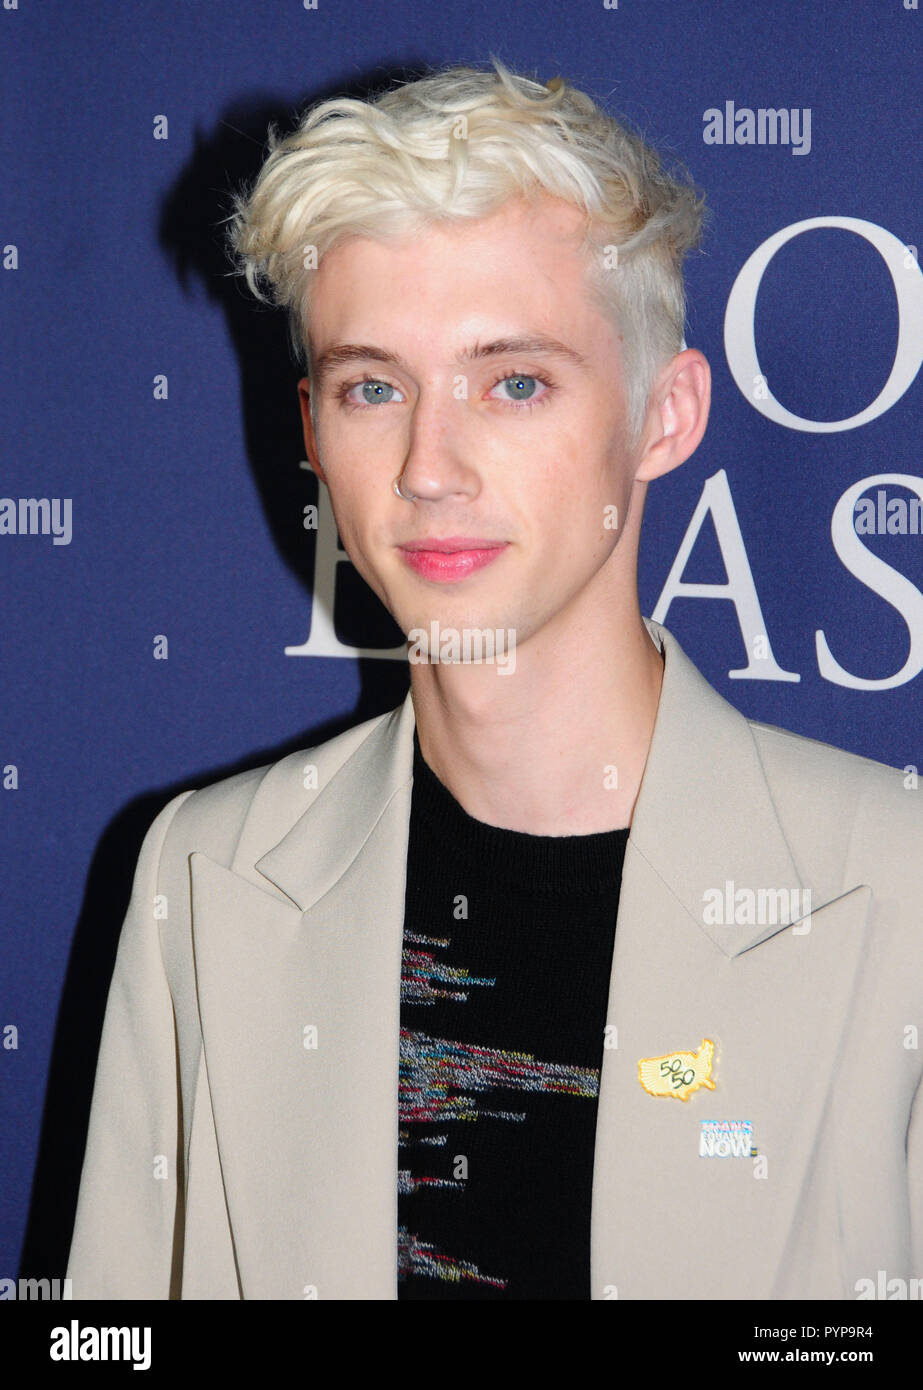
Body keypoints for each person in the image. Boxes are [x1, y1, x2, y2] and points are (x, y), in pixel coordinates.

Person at [66, 57, 922, 1300]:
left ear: (663, 417)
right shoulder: (202, 876)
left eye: (512, 381)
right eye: (373, 387)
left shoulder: (891, 890)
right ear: (313, 431)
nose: (429, 464)